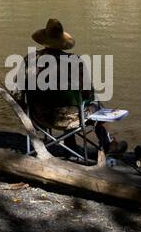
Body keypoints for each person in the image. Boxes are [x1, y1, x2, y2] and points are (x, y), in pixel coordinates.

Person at [15, 18, 126, 157]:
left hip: (39, 116)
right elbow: (88, 94)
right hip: (72, 118)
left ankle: (71, 146)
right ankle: (108, 144)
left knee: (68, 102)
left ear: (44, 40)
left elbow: (18, 91)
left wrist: (26, 110)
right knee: (95, 104)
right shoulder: (75, 62)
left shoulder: (29, 60)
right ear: (62, 43)